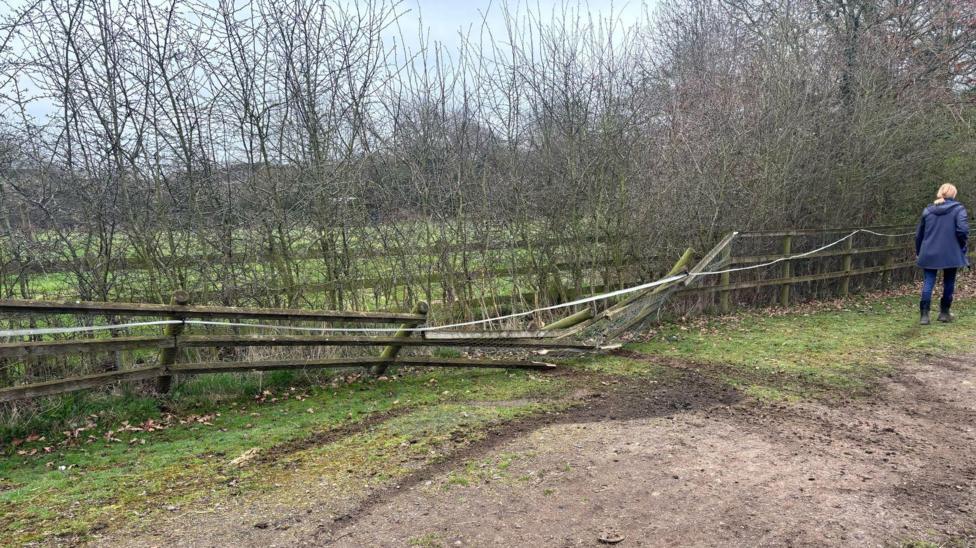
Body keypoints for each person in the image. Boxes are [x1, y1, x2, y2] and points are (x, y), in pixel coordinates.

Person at [915, 183, 969, 325]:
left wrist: (918, 251)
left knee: (928, 282)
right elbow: (962, 231)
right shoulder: (959, 210)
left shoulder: (928, 210)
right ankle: (944, 313)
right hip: (950, 252)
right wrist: (962, 246)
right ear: (954, 194)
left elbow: (919, 234)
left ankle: (924, 315)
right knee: (949, 282)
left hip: (929, 252)